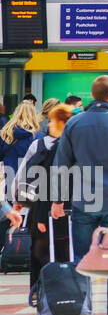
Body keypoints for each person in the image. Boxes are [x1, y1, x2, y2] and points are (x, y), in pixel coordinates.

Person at [52, 74, 108, 315]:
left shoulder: (74, 124)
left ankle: (79, 313)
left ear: (93, 94)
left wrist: (57, 200)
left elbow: (62, 163)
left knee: (81, 258)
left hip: (83, 200)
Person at [14, 103, 74, 303]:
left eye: (52, 121)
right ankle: (64, 290)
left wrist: (19, 201)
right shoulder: (71, 146)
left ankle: (37, 289)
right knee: (63, 248)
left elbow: (23, 176)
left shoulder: (39, 146)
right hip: (64, 206)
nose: (48, 124)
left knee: (40, 249)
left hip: (43, 205)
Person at [0, 99, 39, 208]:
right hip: (30, 185)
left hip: (10, 182)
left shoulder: (5, 135)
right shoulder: (37, 137)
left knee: (11, 218)